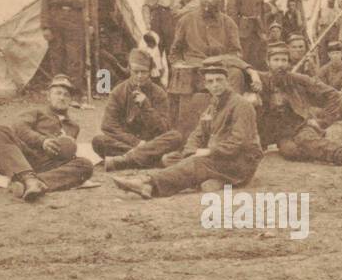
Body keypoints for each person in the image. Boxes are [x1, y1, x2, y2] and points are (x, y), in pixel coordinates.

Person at [112, 57, 262, 200]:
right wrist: (190, 152)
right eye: (211, 81)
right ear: (206, 85)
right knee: (170, 159)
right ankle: (212, 179)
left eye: (219, 80)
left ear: (227, 81)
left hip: (240, 162)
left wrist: (209, 151)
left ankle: (147, 183)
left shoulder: (241, 105)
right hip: (220, 158)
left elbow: (239, 142)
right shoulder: (213, 106)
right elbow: (197, 134)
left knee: (197, 163)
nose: (215, 84)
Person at [252, 41, 342, 169]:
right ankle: (325, 142)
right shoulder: (260, 79)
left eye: (284, 60)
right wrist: (251, 73)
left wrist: (323, 122)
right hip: (280, 134)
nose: (280, 64)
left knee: (306, 141)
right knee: (290, 151)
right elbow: (233, 64)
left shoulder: (297, 79)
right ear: (268, 62)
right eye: (276, 60)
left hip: (300, 126)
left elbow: (332, 94)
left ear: (288, 62)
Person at [0, 74, 94, 201]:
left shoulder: (73, 126)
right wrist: (42, 141)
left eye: (66, 95)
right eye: (58, 93)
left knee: (85, 165)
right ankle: (29, 178)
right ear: (49, 97)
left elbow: (66, 155)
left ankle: (31, 182)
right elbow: (18, 128)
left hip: (48, 165)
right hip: (26, 156)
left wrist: (66, 150)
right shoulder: (37, 112)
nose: (62, 98)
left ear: (71, 100)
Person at [92, 48, 183, 169]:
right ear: (129, 70)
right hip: (130, 143)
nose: (139, 76)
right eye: (136, 72)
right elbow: (108, 126)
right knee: (98, 141)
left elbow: (164, 128)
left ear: (150, 72)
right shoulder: (118, 92)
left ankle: (125, 160)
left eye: (143, 72)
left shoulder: (159, 93)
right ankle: (155, 161)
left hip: (152, 141)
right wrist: (137, 143)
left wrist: (146, 107)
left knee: (175, 136)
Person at [40, 0, 92, 102]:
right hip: (56, 17)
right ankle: (57, 93)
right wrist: (45, 26)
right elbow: (45, 3)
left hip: (75, 18)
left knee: (75, 57)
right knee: (57, 56)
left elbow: (89, 2)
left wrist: (90, 24)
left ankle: (75, 93)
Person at [232, 0, 267, 69]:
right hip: (244, 30)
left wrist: (263, 30)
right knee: (244, 56)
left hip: (257, 30)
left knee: (256, 56)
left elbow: (263, 14)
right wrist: (237, 29)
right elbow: (234, 15)